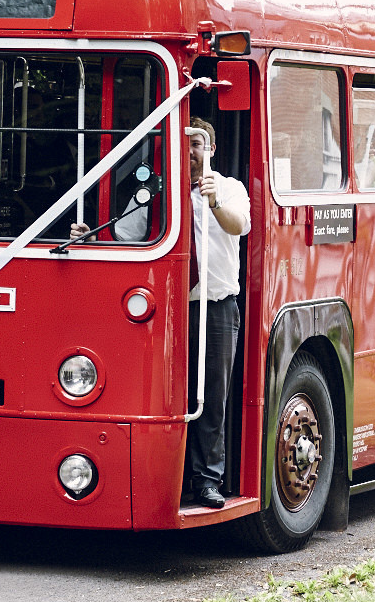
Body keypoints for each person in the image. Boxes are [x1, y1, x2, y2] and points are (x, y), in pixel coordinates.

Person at [69, 116, 250, 508]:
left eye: (197, 144)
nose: (190, 152)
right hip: (166, 312)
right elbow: (125, 237)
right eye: (183, 144)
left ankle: (208, 481)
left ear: (211, 149)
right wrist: (89, 239)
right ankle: (165, 480)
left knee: (211, 397)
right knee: (163, 397)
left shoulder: (229, 188)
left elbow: (239, 226)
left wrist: (213, 201)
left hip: (215, 308)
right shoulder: (154, 190)